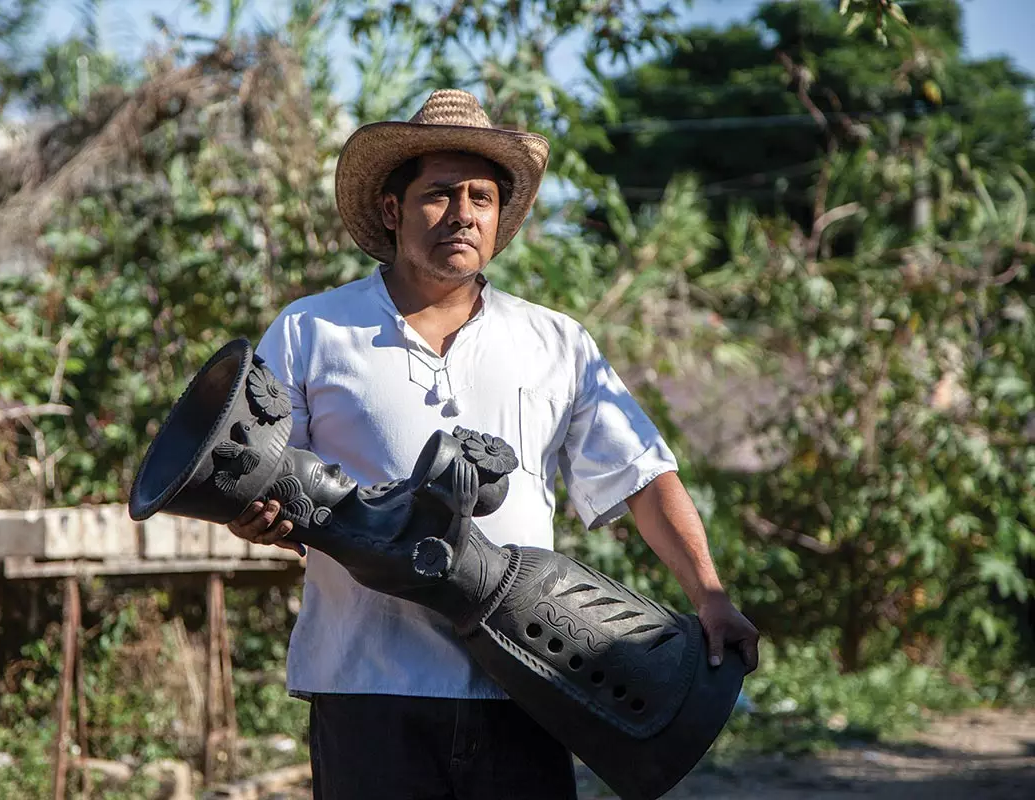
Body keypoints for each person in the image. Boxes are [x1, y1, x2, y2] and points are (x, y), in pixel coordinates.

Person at [226, 88, 759, 800]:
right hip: (365, 683)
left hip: (532, 680)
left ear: (500, 216)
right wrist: (251, 519)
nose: (463, 214)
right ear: (393, 210)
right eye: (439, 194)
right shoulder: (311, 330)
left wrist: (711, 594)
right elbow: (252, 464)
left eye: (481, 196)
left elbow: (643, 476)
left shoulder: (555, 341)